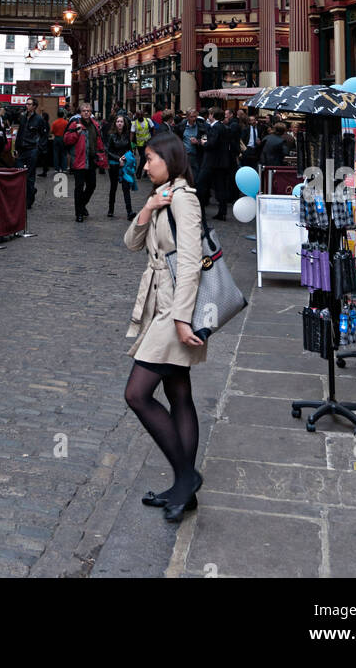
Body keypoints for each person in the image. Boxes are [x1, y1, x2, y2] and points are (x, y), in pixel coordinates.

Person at [123, 132, 207, 523]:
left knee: (137, 393)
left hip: (173, 308)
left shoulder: (185, 199)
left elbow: (191, 261)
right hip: (161, 302)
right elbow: (131, 243)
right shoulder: (163, 196)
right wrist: (147, 208)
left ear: (169, 159)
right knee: (178, 392)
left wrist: (180, 317)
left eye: (150, 158)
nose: (145, 165)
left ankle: (187, 478)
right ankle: (181, 487)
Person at [64, 104, 107, 222]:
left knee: (92, 185)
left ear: (91, 112)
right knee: (79, 187)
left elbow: (99, 141)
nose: (86, 113)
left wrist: (101, 154)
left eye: (88, 111)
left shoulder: (95, 125)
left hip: (92, 161)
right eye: (84, 111)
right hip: (79, 161)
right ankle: (79, 213)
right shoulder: (75, 123)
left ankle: (81, 206)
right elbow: (66, 139)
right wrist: (76, 133)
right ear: (80, 112)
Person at [14, 97, 48, 210]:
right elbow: (20, 134)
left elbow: (44, 135)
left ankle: (28, 200)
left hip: (32, 150)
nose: (27, 106)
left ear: (34, 106)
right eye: (26, 104)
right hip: (21, 150)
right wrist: (16, 148)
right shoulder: (23, 118)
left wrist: (39, 149)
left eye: (29, 104)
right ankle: (30, 192)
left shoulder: (39, 119)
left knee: (29, 176)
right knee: (19, 174)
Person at [106, 114, 135, 219]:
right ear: (115, 123)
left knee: (126, 188)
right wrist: (118, 159)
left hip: (125, 165)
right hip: (114, 165)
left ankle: (129, 212)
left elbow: (130, 150)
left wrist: (126, 158)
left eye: (121, 121)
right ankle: (111, 210)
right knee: (113, 187)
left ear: (124, 123)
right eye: (118, 121)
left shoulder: (127, 135)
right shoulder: (111, 136)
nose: (119, 123)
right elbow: (108, 151)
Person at [131, 109, 154, 178]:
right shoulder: (134, 123)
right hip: (140, 144)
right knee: (143, 158)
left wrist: (153, 138)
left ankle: (143, 173)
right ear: (136, 116)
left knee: (147, 158)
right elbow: (132, 133)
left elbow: (153, 128)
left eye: (141, 115)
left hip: (148, 142)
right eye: (138, 115)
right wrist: (131, 143)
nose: (140, 116)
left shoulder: (148, 120)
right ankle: (140, 172)